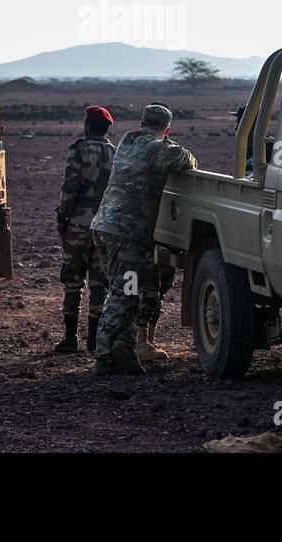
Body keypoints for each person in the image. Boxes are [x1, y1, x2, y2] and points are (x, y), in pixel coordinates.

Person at [91, 103, 197, 375]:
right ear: (167, 129)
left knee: (128, 289)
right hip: (127, 234)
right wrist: (169, 143)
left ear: (142, 121)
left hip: (105, 228)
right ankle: (104, 356)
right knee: (124, 294)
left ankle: (123, 347)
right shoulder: (158, 149)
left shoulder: (128, 141)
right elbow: (188, 160)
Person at [53, 106, 116, 354]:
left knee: (73, 281)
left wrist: (62, 216)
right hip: (104, 223)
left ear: (88, 126)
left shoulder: (78, 149)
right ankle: (94, 339)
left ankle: (70, 338)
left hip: (79, 222)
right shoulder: (116, 153)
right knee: (100, 283)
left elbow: (70, 186)